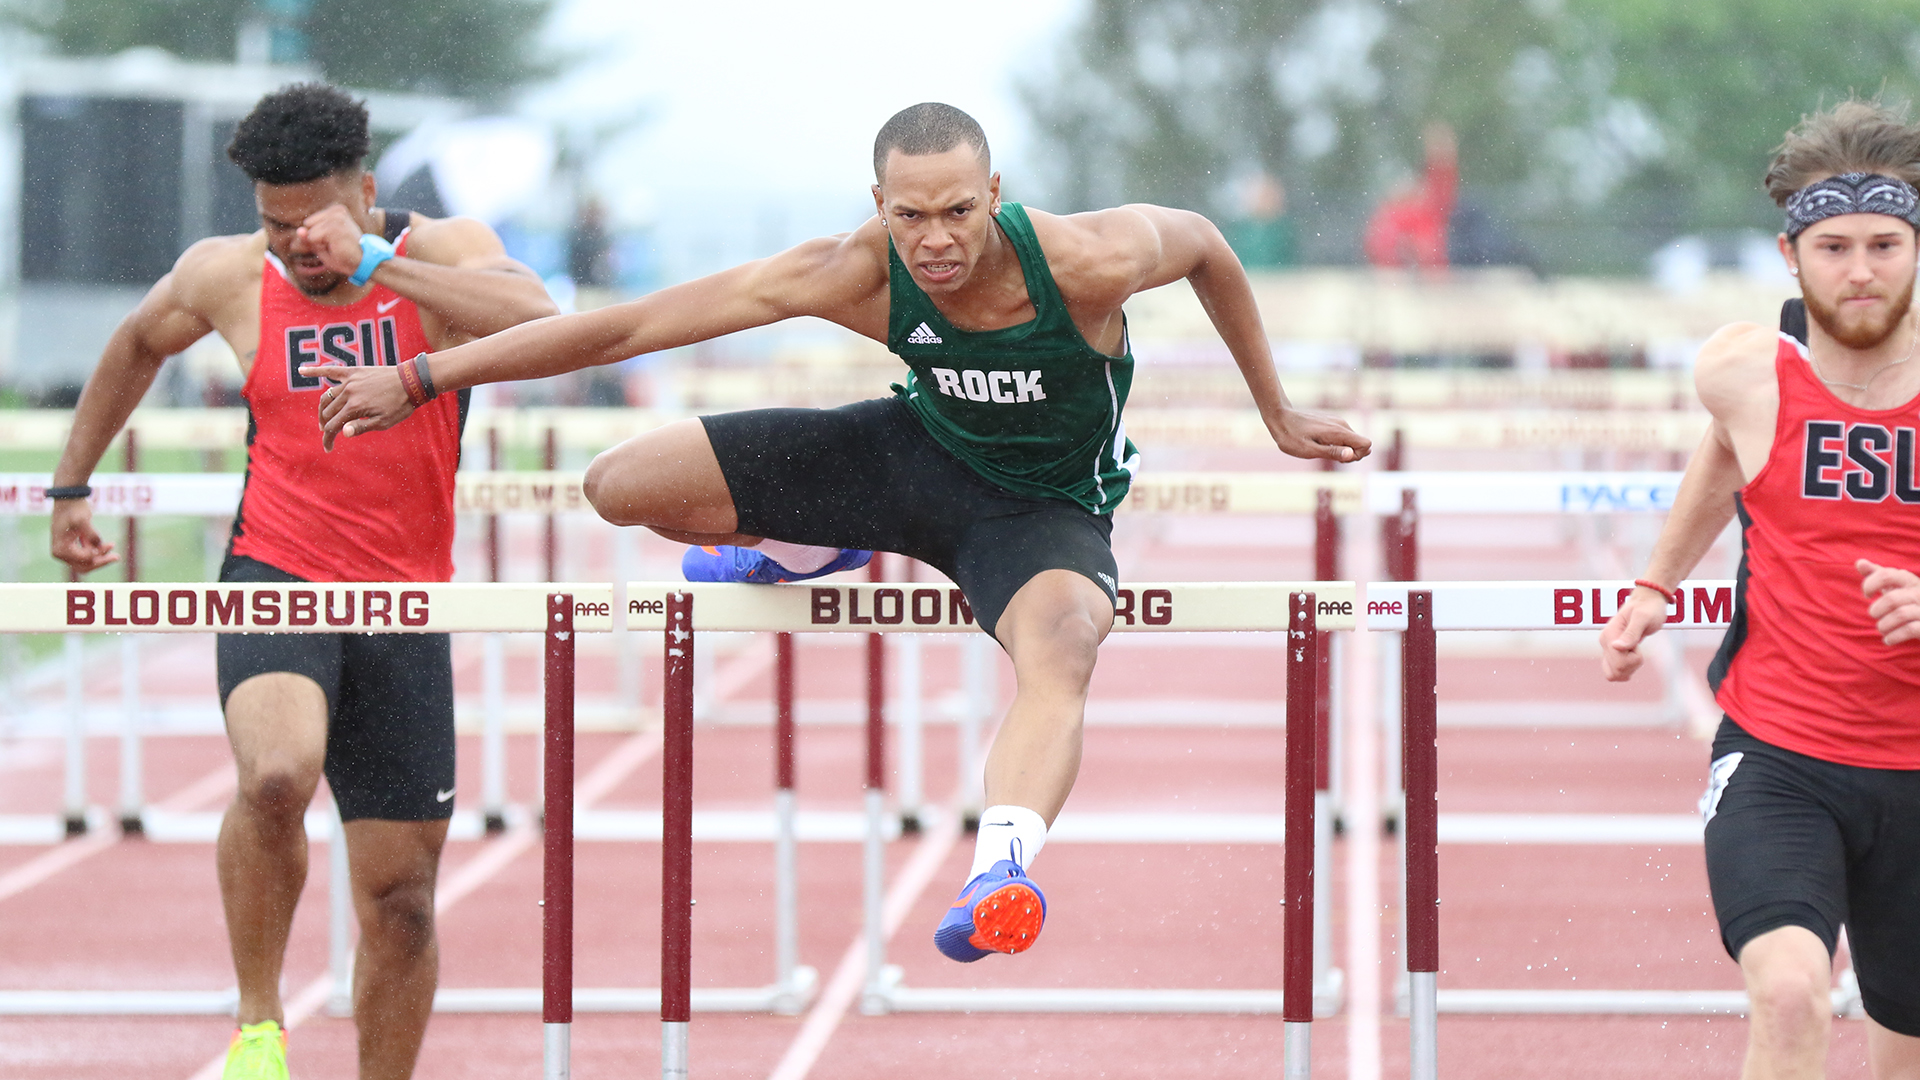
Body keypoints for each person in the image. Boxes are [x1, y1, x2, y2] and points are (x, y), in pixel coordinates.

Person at [307, 102, 1369, 964]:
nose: (938, 240)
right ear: (880, 207)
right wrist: (419, 375)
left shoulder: (1083, 261)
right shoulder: (854, 269)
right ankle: (815, 546)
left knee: (1063, 649)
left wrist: (1275, 410)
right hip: (907, 458)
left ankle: (1000, 867)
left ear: (995, 195)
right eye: (913, 217)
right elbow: (627, 327)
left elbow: (1212, 248)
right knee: (622, 484)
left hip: (1040, 509)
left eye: (958, 210)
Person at [47, 84, 557, 1080]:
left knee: (401, 902)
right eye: (273, 222)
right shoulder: (229, 273)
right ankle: (258, 1026)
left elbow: (536, 315)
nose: (292, 243)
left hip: (406, 599)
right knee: (276, 775)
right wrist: (73, 483)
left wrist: (379, 266)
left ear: (365, 192)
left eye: (311, 222)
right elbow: (136, 346)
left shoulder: (442, 249)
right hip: (277, 568)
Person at [1601, 100, 1920, 1079]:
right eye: (1833, 247)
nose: (1859, 271)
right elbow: (1724, 462)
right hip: (1784, 751)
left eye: (1883, 244)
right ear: (1791, 255)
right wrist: (1657, 579)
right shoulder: (1745, 371)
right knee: (1789, 991)